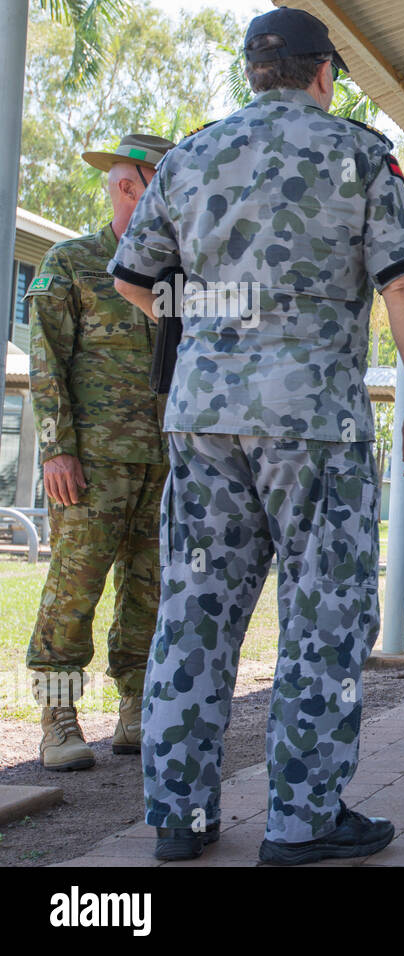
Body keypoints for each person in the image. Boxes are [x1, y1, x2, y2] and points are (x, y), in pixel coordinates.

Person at [110, 7, 404, 864]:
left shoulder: (190, 154)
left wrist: (217, 323)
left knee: (194, 612)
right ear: (322, 72)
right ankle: (301, 821)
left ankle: (177, 822)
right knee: (323, 616)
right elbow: (403, 287)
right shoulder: (360, 153)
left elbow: (134, 279)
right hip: (315, 425)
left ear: (255, 72)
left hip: (204, 418)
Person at [24, 133, 175, 771]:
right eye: (160, 184)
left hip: (164, 461)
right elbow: (45, 362)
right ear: (127, 188)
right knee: (74, 587)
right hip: (90, 466)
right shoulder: (72, 261)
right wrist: (57, 450)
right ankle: (59, 719)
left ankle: (135, 708)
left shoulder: (178, 272)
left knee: (152, 587)